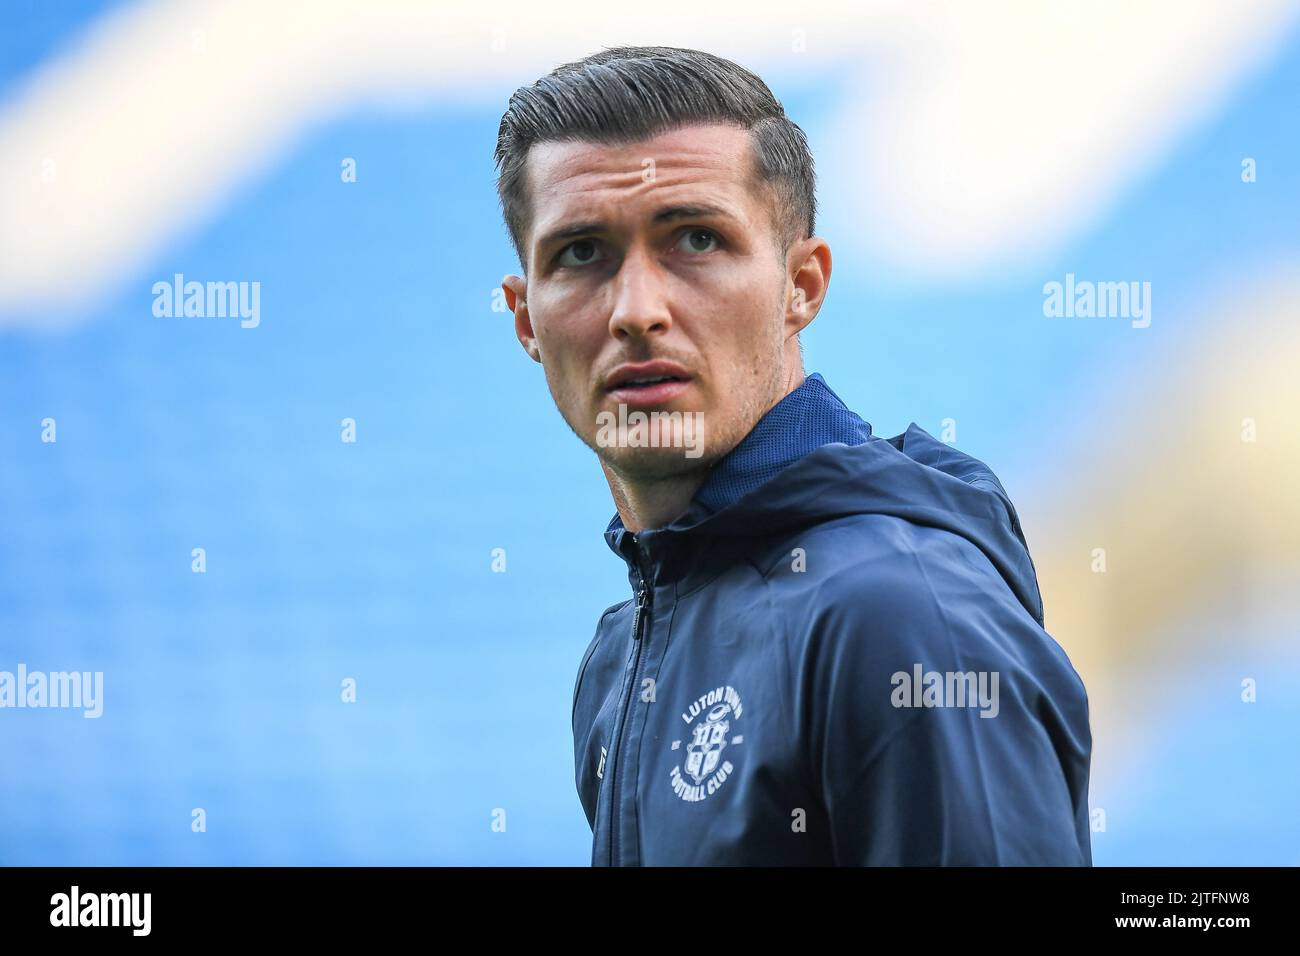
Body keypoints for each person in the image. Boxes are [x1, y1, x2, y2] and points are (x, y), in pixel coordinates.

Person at [494, 45, 1092, 865]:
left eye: (696, 239)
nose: (636, 310)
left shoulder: (899, 615)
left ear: (801, 285)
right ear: (526, 319)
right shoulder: (621, 651)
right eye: (581, 253)